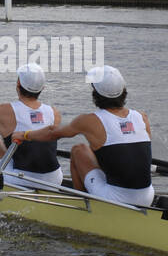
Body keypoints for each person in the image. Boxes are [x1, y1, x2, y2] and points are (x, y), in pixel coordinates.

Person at [17, 65, 154, 207]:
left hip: (117, 198)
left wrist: (25, 135)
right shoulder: (141, 117)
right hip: (147, 195)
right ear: (123, 91)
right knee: (100, 151)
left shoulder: (89, 121)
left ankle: (82, 206)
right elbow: (138, 156)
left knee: (79, 150)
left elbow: (52, 133)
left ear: (95, 93)